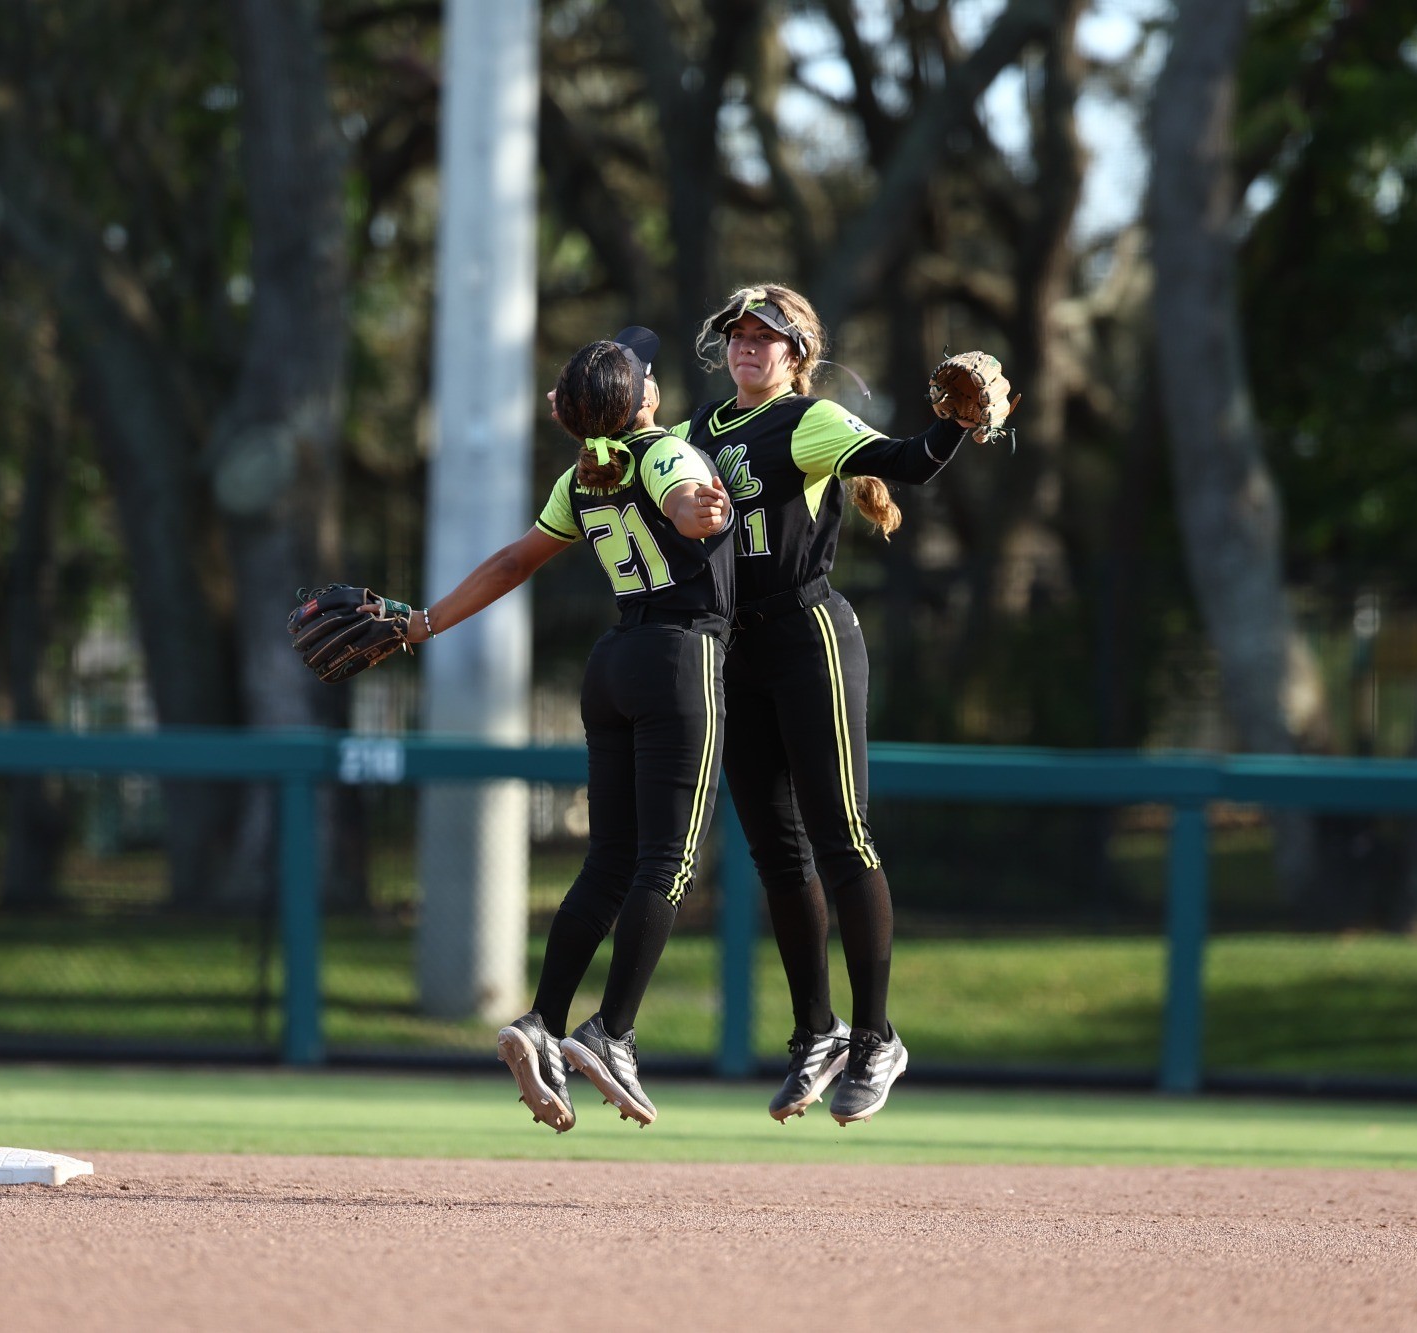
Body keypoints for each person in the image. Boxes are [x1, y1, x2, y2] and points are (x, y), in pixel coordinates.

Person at [378, 328, 733, 1132]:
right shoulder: (660, 451)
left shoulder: (584, 475)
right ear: (639, 400)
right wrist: (699, 510)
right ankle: (611, 1030)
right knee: (666, 863)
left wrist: (421, 625)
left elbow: (512, 563)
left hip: (612, 666)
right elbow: (682, 495)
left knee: (608, 860)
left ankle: (540, 1019)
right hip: (679, 657)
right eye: (645, 376)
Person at [674, 282, 1002, 1125]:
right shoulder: (693, 433)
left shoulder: (807, 422)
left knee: (840, 836)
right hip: (734, 649)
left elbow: (906, 461)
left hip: (807, 635)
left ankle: (876, 1036)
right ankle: (816, 1032)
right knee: (776, 855)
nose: (749, 345)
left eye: (767, 335)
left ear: (797, 355)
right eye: (738, 333)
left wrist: (955, 427)